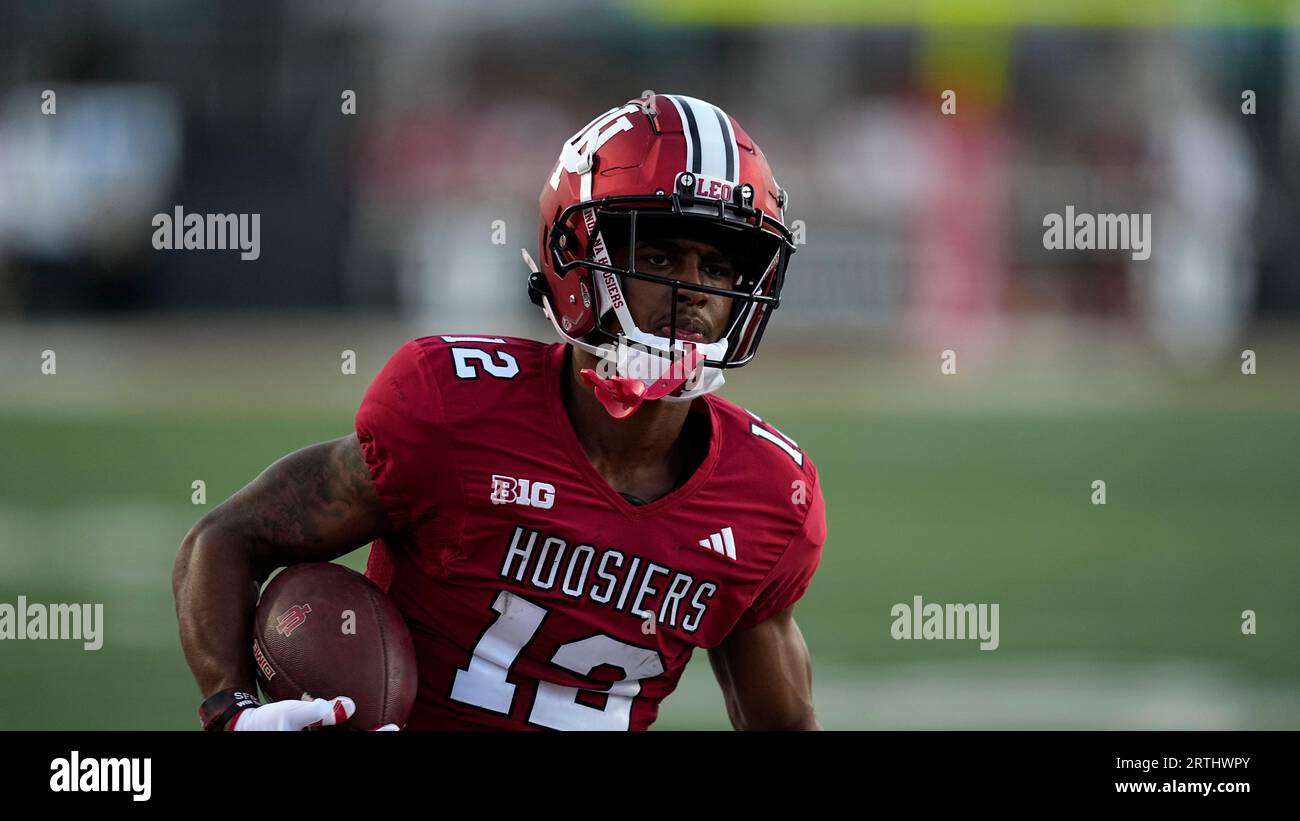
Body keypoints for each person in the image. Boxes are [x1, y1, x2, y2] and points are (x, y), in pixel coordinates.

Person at [174, 92, 826, 731]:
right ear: (579, 256)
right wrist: (232, 711)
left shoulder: (771, 495)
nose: (694, 292)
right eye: (658, 257)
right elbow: (227, 539)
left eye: (717, 267)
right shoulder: (454, 409)